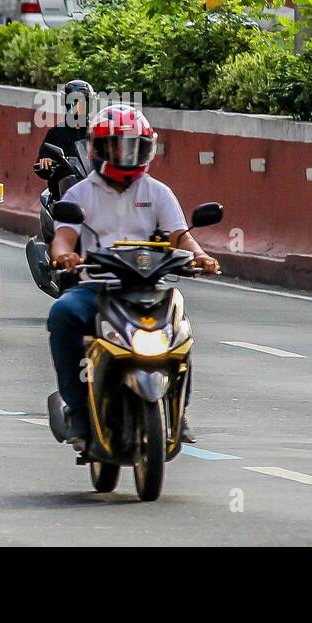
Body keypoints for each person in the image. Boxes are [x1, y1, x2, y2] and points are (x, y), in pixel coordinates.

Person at [47, 104, 220, 443]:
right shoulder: (79, 193)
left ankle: (178, 412)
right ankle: (77, 410)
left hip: (149, 288)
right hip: (97, 288)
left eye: (133, 147)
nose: (126, 155)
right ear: (98, 149)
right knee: (62, 313)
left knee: (180, 328)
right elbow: (63, 236)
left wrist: (201, 257)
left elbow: (180, 236)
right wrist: (64, 255)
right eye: (117, 147)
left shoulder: (157, 192)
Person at [35, 80, 94, 199]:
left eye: (83, 102)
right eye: (75, 102)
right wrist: (46, 163)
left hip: (90, 193)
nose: (79, 106)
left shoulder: (95, 133)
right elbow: (41, 164)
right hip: (63, 195)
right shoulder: (56, 133)